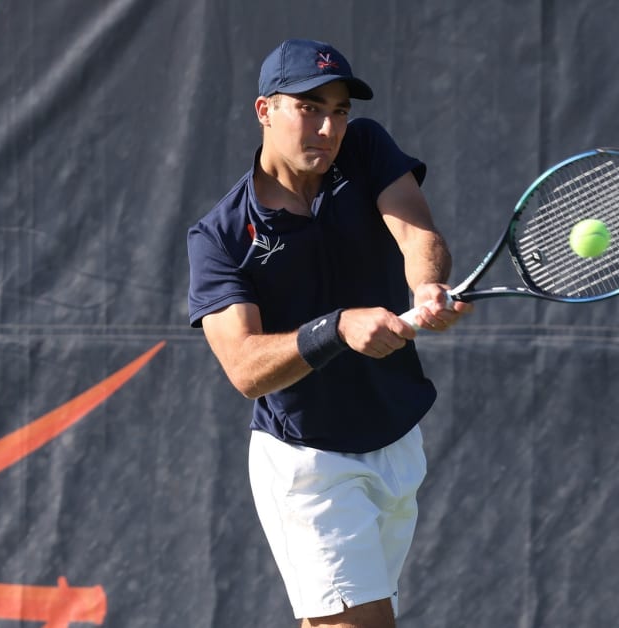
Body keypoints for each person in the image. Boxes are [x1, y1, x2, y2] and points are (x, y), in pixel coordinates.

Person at [186, 38, 470, 628]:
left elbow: (417, 233)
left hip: (396, 442)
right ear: (265, 110)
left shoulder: (365, 149)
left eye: (339, 110)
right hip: (308, 464)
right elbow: (243, 366)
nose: (328, 126)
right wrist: (335, 329)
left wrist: (425, 287)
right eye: (309, 108)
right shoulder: (218, 238)